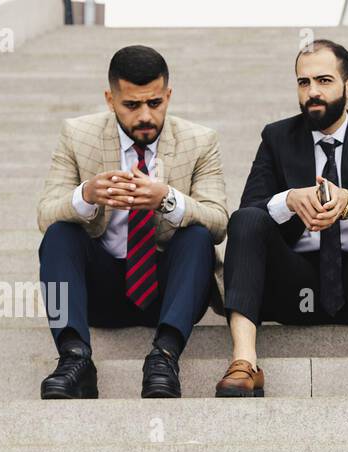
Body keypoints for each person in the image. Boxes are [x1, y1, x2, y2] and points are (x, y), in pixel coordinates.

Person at [218, 39, 348, 398]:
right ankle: (244, 362)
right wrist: (288, 201)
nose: (312, 91)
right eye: (304, 82)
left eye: (324, 81)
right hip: (291, 287)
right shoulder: (276, 137)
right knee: (246, 220)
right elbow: (250, 209)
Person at [36, 45, 227, 399]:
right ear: (110, 100)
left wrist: (167, 199)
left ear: (168, 95)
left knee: (198, 236)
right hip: (100, 291)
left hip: (167, 289)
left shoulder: (200, 141)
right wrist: (86, 195)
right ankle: (74, 358)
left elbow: (219, 222)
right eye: (131, 105)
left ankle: (164, 357)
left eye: (155, 103)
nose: (145, 116)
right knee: (59, 234)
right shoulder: (77, 135)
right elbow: (45, 214)